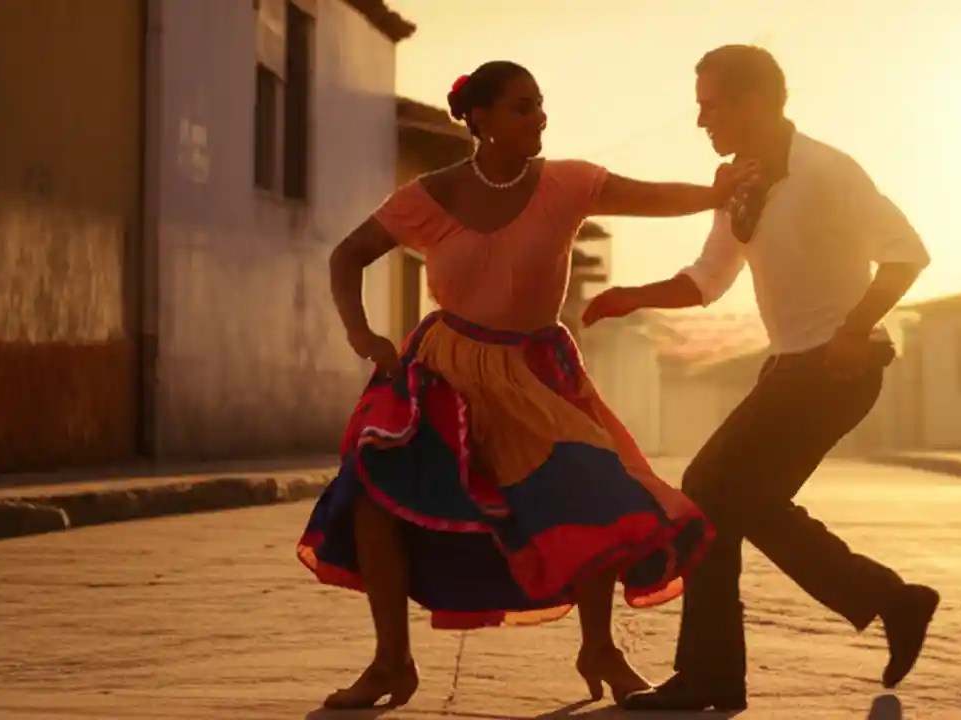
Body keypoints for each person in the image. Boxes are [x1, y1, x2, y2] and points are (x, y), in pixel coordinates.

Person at [297, 61, 752, 710]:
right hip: (445, 372)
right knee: (374, 494)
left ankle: (599, 646)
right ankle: (391, 662)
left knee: (597, 491)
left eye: (540, 104)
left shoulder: (567, 184)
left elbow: (652, 198)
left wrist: (715, 194)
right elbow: (347, 256)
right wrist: (362, 336)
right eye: (522, 106)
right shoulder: (429, 197)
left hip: (537, 375)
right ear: (479, 119)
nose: (539, 116)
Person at [582, 45, 941, 712]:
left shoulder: (831, 172)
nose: (700, 121)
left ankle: (713, 677)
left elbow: (906, 254)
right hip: (794, 367)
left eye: (711, 105)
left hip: (839, 368)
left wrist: (854, 328)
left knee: (708, 489)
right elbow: (708, 279)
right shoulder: (738, 185)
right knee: (743, 504)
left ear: (755, 102)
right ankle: (890, 601)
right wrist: (634, 295)